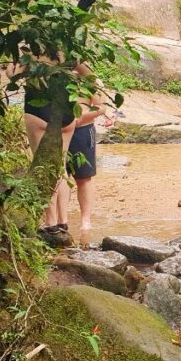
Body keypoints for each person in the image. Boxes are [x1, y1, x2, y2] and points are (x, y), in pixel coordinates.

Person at [23, 60, 92, 234]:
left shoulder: (31, 52)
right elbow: (91, 77)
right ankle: (63, 221)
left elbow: (11, 73)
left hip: (38, 110)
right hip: (66, 111)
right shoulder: (70, 54)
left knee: (43, 166)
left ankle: (50, 222)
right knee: (60, 167)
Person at [56, 81, 107, 231]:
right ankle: (61, 219)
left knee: (84, 178)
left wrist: (79, 117)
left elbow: (102, 107)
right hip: (57, 131)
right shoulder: (54, 75)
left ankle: (86, 220)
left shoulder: (91, 79)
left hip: (82, 130)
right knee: (60, 175)